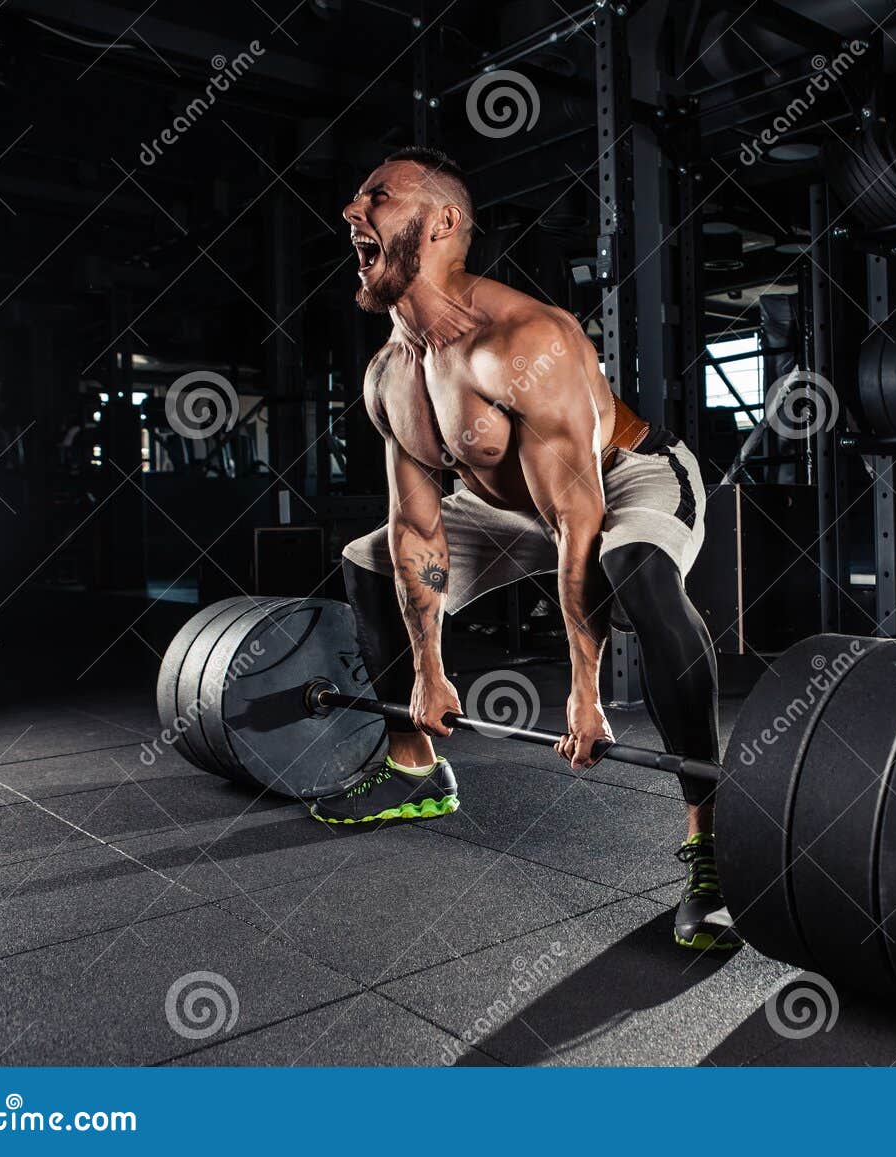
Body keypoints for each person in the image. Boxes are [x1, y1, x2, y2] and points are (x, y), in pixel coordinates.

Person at [313, 146, 737, 952]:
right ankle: (414, 769)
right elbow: (418, 527)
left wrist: (587, 692)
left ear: (440, 224)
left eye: (378, 195)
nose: (351, 211)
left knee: (634, 570)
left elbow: (578, 517)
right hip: (502, 505)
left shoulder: (525, 340)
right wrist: (430, 669)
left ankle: (708, 845)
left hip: (623, 474)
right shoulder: (388, 375)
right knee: (369, 557)